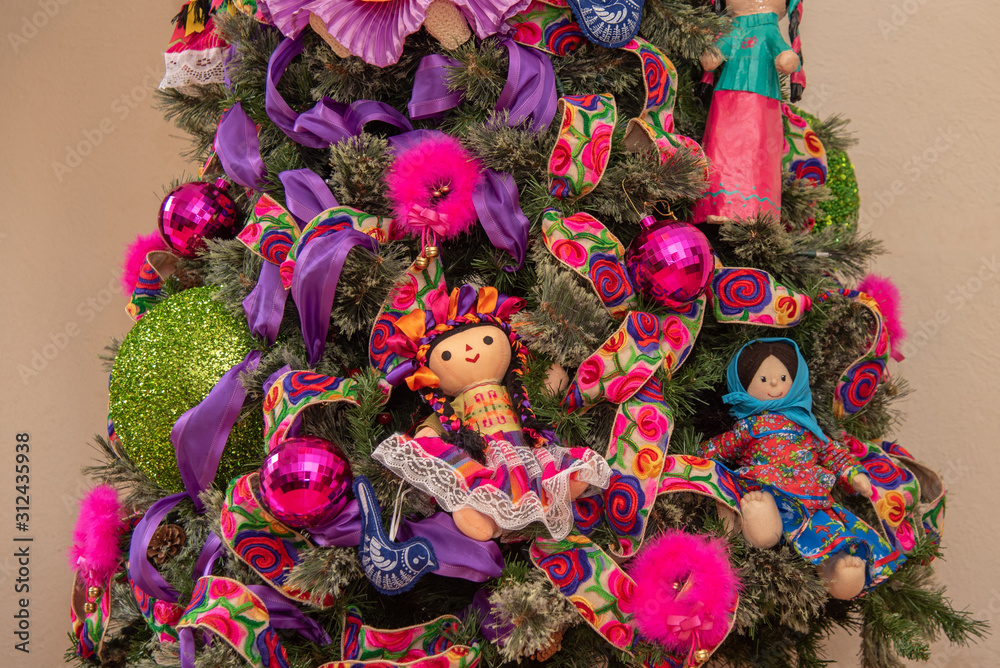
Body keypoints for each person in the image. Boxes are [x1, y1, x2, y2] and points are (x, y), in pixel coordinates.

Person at [372, 285, 611, 541]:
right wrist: (426, 436)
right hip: (486, 451)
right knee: (482, 482)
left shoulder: (512, 389)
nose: (469, 352)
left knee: (547, 466)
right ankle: (479, 514)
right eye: (449, 354)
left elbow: (539, 393)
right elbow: (432, 430)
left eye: (487, 341)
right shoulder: (453, 404)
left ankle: (562, 483)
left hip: (524, 445)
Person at [699, 338, 903, 599]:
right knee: (758, 499)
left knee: (829, 533)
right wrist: (694, 455)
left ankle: (835, 570)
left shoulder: (807, 426)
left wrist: (854, 474)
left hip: (810, 495)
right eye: (763, 380)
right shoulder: (750, 426)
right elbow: (723, 446)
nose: (773, 384)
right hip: (764, 484)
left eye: (782, 377)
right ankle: (761, 521)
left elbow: (830, 452)